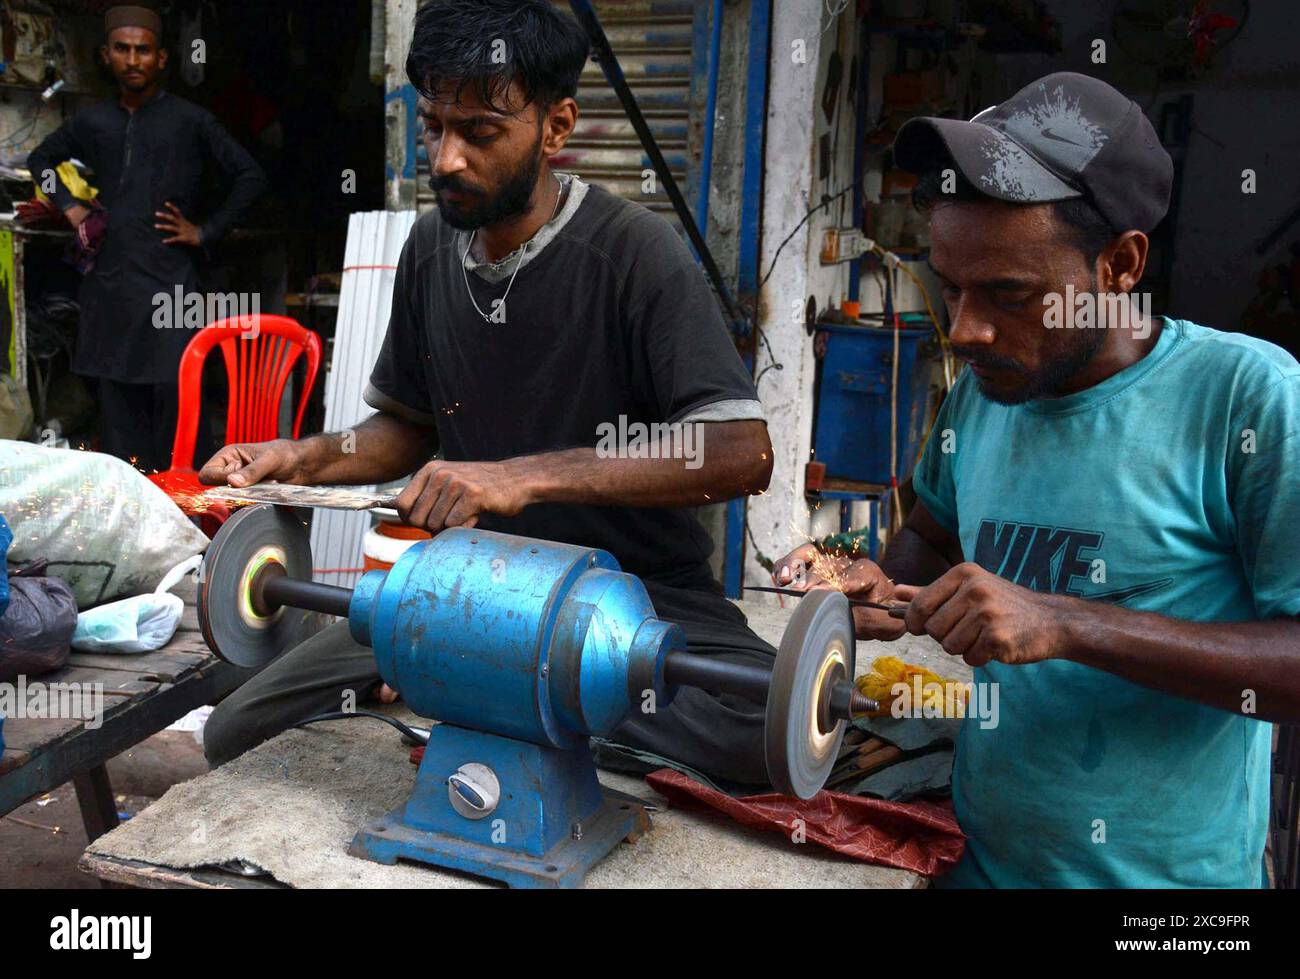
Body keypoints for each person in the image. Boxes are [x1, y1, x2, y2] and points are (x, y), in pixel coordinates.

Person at [199, 0, 778, 785]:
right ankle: (489, 694)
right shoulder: (430, 248)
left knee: (767, 728)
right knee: (239, 731)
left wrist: (521, 475)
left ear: (557, 127)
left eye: (479, 132)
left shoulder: (634, 254)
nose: (445, 159)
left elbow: (742, 452)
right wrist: (294, 456)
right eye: (435, 126)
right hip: (467, 590)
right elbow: (404, 428)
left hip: (632, 600)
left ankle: (497, 702)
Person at [776, 71, 1300, 888]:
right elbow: (929, 535)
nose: (965, 330)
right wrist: (867, 579)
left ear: (1121, 265)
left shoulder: (1249, 400)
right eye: (950, 286)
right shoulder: (986, 395)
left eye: (1009, 294)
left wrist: (1066, 622)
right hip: (979, 866)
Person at [28, 4, 267, 471]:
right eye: (122, 49)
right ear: (106, 55)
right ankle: (130, 527)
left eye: (143, 50)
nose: (132, 60)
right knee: (118, 427)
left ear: (161, 59)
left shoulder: (191, 120)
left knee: (181, 415)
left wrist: (205, 231)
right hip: (112, 289)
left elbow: (250, 176)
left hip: (171, 289)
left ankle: (191, 528)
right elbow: (41, 160)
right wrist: (70, 206)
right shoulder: (94, 122)